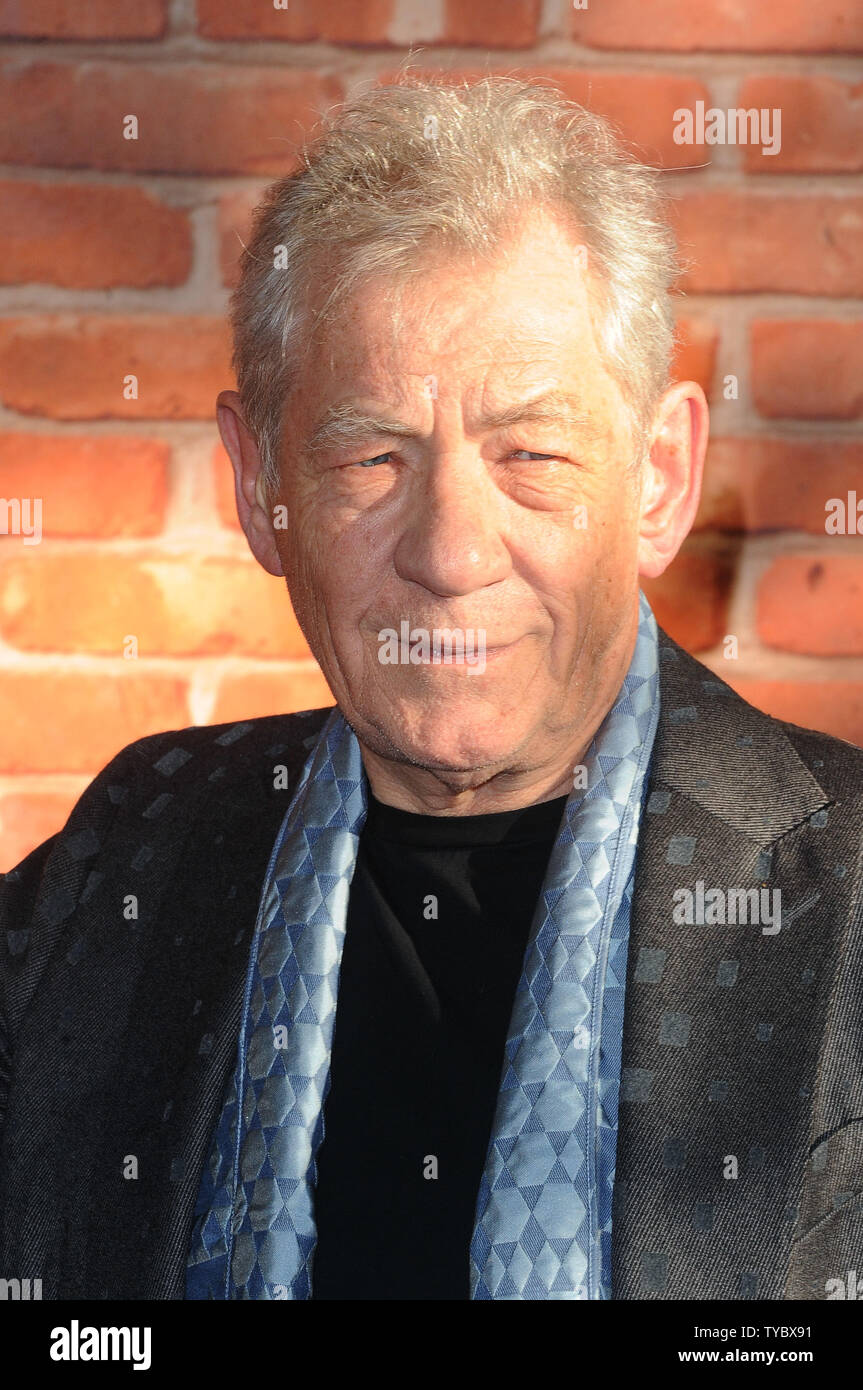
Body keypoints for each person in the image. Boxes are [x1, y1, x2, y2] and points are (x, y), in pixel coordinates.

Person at [1, 75, 861, 1303]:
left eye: (531, 456)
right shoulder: (134, 847)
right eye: (369, 458)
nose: (449, 552)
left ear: (659, 479)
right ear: (260, 491)